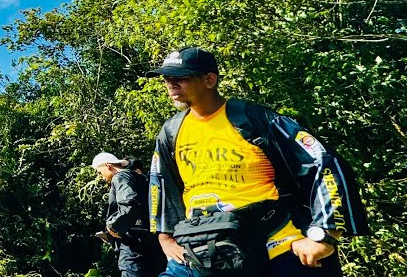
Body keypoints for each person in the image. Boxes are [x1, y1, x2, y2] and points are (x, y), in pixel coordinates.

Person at [147, 47, 367, 276]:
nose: (171, 85)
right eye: (167, 79)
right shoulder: (171, 132)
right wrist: (165, 238)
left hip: (273, 242)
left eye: (180, 78)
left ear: (209, 80)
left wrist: (325, 234)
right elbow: (161, 185)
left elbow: (322, 162)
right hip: (202, 249)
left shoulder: (253, 119)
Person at [91, 152, 162, 277]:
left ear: (108, 166)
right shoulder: (141, 178)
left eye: (100, 172)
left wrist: (112, 229)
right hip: (152, 240)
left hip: (133, 244)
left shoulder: (120, 177)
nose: (101, 177)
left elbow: (129, 206)